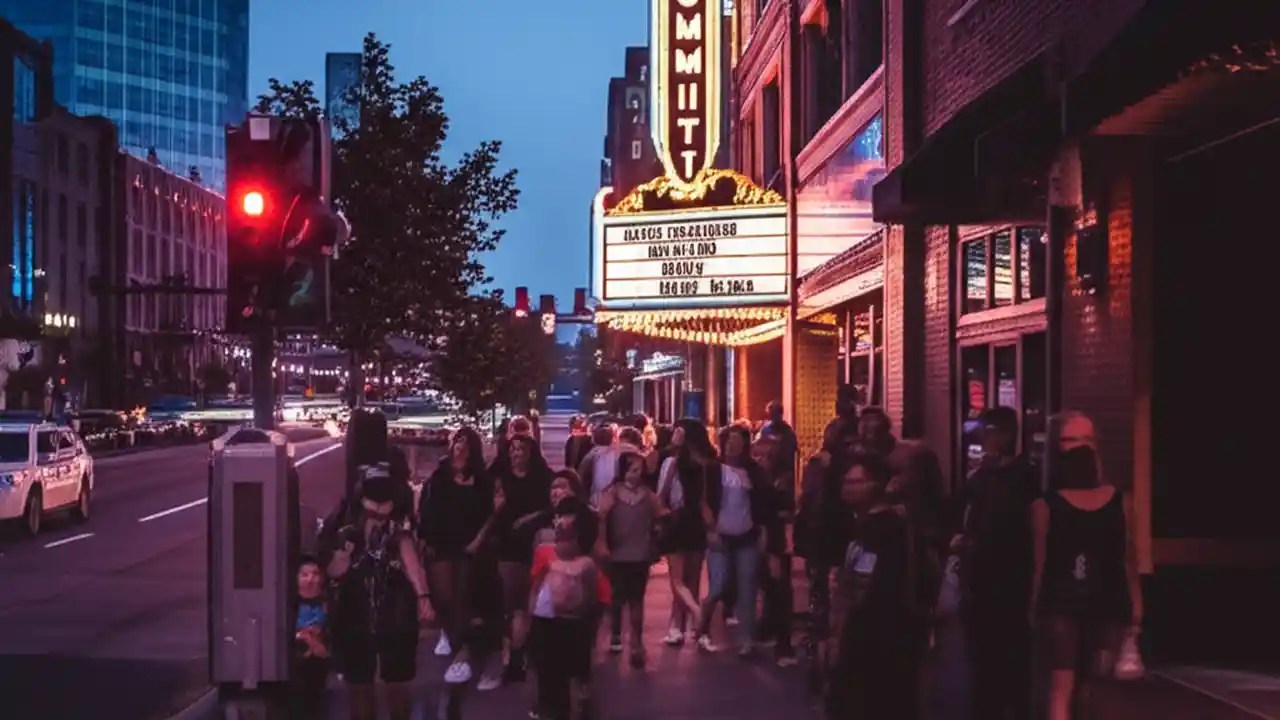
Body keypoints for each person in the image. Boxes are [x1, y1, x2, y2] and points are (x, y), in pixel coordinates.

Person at [1031, 413, 1143, 720]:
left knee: (1060, 691)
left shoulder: (1045, 505)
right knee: (1098, 688)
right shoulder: (1120, 502)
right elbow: (1128, 557)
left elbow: (1040, 564)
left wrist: (1033, 606)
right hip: (1109, 601)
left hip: (1061, 602)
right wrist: (1137, 606)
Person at [950, 406, 1039, 720]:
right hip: (980, 583)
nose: (982, 439)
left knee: (1009, 660)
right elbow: (961, 513)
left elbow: (1020, 530)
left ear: (1003, 435)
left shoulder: (1024, 479)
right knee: (981, 661)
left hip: (1009, 583)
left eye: (987, 432)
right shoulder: (982, 478)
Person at [326, 471, 434, 720]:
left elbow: (410, 559)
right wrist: (344, 555)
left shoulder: (400, 525)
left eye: (385, 500)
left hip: (395, 611)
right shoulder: (345, 525)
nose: (379, 507)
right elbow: (332, 570)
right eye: (374, 500)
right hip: (355, 612)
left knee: (397, 682)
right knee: (359, 683)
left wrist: (422, 596)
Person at [826, 454, 918, 720]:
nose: (849, 488)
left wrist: (838, 635)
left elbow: (861, 588)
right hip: (866, 636)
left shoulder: (884, 529)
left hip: (877, 639)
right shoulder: (863, 525)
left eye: (858, 482)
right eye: (846, 482)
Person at [418, 427, 494, 685]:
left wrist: (477, 541)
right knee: (445, 599)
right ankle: (450, 634)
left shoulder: (481, 480)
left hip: (469, 546)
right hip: (441, 544)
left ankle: (464, 652)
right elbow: (427, 510)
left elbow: (488, 514)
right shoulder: (439, 476)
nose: (460, 447)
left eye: (465, 442)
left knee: (463, 599)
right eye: (457, 441)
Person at [480, 433, 553, 690]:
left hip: (536, 547)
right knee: (514, 606)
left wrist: (531, 519)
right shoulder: (498, 477)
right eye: (513, 449)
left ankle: (525, 653)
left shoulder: (542, 477)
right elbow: (487, 509)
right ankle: (514, 657)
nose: (517, 453)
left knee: (531, 604)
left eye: (522, 449)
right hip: (507, 547)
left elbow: (551, 506)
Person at [529, 497, 611, 720]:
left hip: (577, 625)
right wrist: (532, 620)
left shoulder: (587, 564)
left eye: (568, 532)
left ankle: (579, 707)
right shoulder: (545, 554)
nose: (561, 528)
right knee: (549, 674)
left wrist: (591, 621)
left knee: (577, 675)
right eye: (559, 527)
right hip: (548, 624)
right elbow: (536, 589)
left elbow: (596, 597)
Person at [696, 424, 770, 658]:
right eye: (729, 441)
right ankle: (702, 628)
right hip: (720, 536)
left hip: (746, 536)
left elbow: (760, 503)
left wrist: (763, 531)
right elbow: (703, 501)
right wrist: (710, 528)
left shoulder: (753, 472)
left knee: (748, 589)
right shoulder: (712, 470)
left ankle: (747, 640)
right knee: (718, 586)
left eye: (737, 442)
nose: (732, 446)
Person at [596, 449, 665, 667]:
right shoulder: (612, 493)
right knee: (617, 597)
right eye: (632, 469)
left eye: (639, 470)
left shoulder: (647, 495)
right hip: (617, 553)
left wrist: (660, 530)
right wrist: (602, 543)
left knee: (636, 598)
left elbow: (660, 515)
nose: (636, 474)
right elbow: (601, 517)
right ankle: (616, 633)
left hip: (640, 553)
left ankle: (636, 640)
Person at [656, 418, 715, 646]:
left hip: (682, 520)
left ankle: (684, 624)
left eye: (678, 431)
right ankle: (687, 623)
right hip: (688, 521)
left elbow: (662, 495)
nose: (673, 434)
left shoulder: (693, 464)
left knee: (683, 579)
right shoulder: (676, 462)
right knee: (685, 579)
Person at [753, 435, 797, 666]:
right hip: (761, 540)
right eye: (756, 455)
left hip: (774, 543)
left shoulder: (781, 481)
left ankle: (783, 642)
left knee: (779, 589)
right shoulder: (757, 480)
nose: (760, 460)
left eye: (765, 456)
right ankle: (769, 628)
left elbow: (785, 511)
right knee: (770, 588)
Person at [291, 556, 330, 720]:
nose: (311, 579)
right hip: (294, 670)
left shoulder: (327, 603)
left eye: (315, 574)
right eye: (305, 574)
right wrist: (306, 638)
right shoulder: (289, 604)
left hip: (317, 668)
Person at [577, 424, 620, 509]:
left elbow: (581, 478)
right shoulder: (616, 455)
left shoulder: (590, 456)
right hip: (612, 499)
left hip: (594, 499)